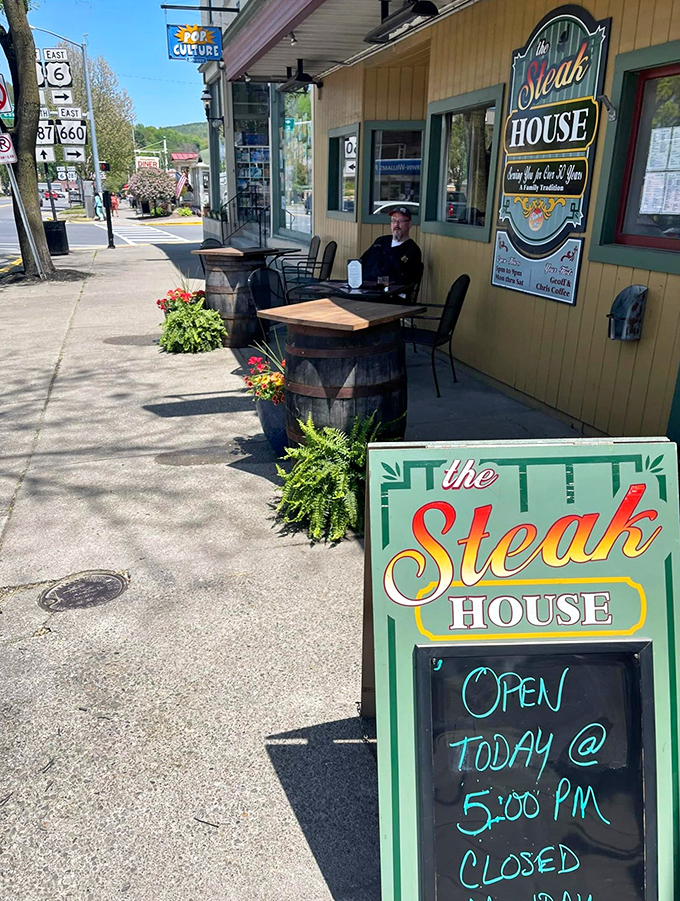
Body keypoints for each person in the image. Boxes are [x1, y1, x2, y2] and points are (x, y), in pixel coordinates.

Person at [360, 206, 422, 289]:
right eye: (394, 221)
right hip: (362, 288)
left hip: (386, 293)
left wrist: (378, 284)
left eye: (401, 221)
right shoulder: (381, 241)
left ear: (409, 224)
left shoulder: (411, 250)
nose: (396, 225)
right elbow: (361, 262)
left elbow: (405, 280)